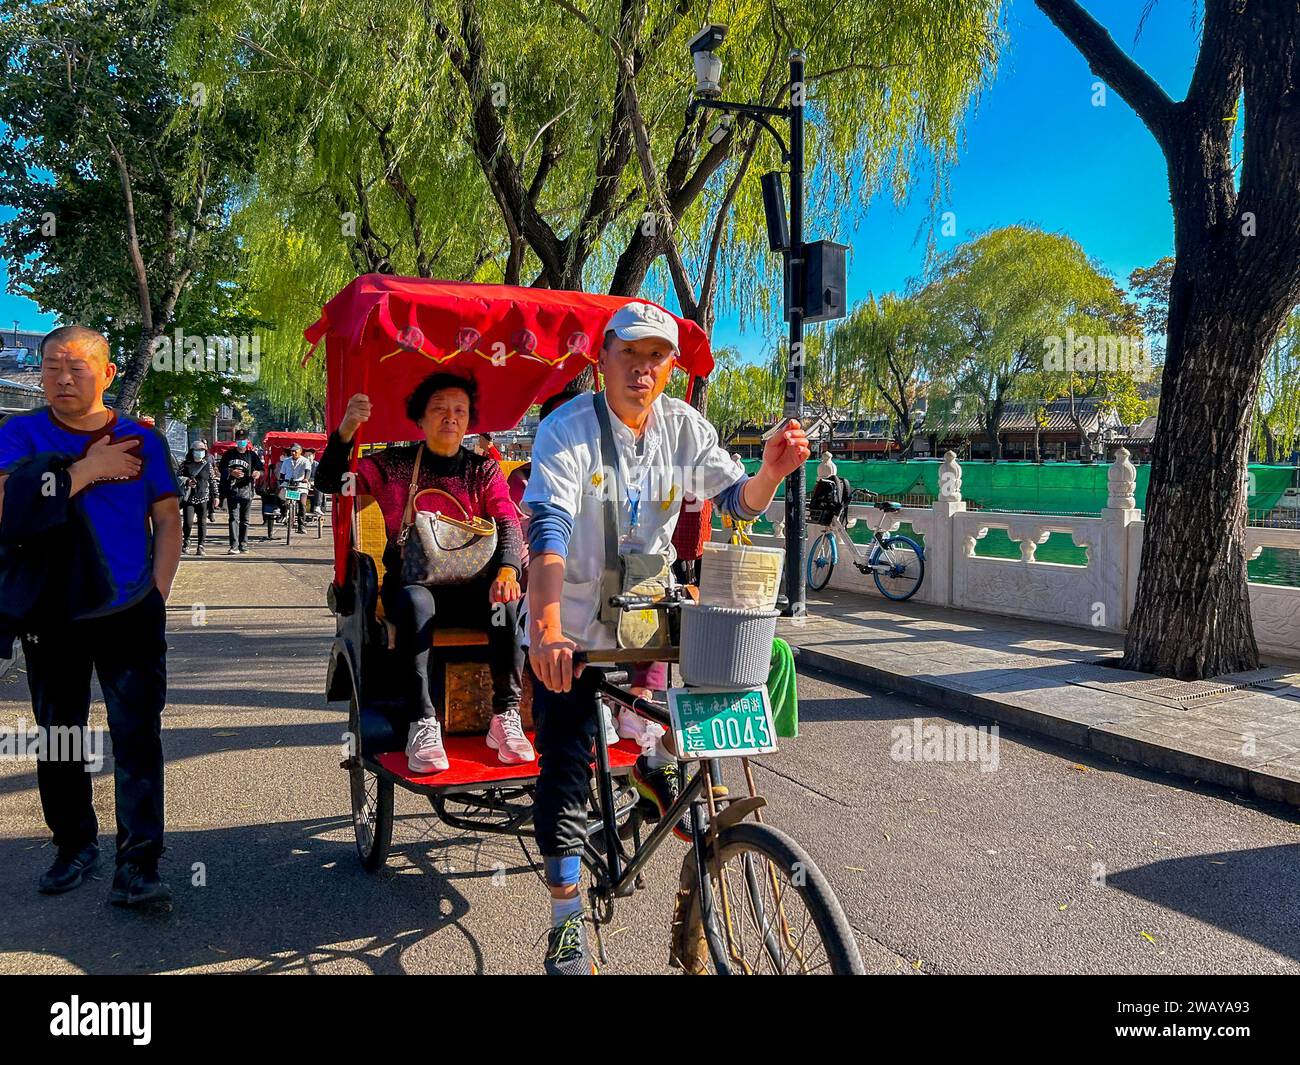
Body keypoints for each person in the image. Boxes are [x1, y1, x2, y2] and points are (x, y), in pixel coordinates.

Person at [523, 301, 809, 973]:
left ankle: (666, 759)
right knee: (567, 759)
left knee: (768, 656)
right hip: (574, 621)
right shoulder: (565, 431)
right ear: (603, 359)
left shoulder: (683, 427)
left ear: (669, 368)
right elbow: (547, 530)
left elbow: (736, 499)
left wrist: (769, 471)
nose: (643, 370)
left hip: (649, 613)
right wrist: (545, 629)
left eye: (657, 358)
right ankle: (565, 927)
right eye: (631, 355)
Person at [0, 325, 181, 906]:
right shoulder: (19, 431)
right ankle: (73, 844)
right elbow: (9, 507)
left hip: (129, 608)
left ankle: (139, 865)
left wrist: (157, 591)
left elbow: (168, 518)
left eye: (77, 367)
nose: (62, 377)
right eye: (52, 365)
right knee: (60, 736)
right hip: (52, 613)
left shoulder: (143, 439)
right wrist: (87, 469)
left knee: (136, 737)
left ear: (106, 374)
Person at [315, 372, 529, 772]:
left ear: (469, 421)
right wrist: (347, 428)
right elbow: (330, 481)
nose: (451, 418)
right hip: (415, 585)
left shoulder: (483, 471)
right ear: (421, 418)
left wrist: (508, 570)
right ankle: (422, 721)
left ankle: (505, 715)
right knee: (415, 602)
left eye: (460, 411)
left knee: (507, 607)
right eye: (440, 410)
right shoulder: (393, 466)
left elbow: (508, 524)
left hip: (472, 588)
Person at [218, 429, 263, 553]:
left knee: (245, 520)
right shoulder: (229, 454)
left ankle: (243, 544)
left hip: (247, 490)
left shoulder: (251, 455)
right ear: (236, 441)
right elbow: (220, 468)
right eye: (239, 440)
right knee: (233, 518)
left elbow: (261, 469)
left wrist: (257, 473)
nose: (241, 442)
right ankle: (234, 545)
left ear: (247, 441)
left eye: (243, 440)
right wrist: (231, 472)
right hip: (233, 489)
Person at [178, 441, 214, 556]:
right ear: (192, 451)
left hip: (203, 497)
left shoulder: (207, 465)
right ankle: (186, 542)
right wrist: (187, 481)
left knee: (202, 523)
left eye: (202, 450)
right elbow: (177, 477)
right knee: (188, 522)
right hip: (189, 498)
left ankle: (201, 545)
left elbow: (212, 481)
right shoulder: (185, 464)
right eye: (197, 450)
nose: (200, 452)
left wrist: (216, 496)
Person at [277, 443, 312, 532]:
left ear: (300, 451)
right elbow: (282, 474)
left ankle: (301, 525)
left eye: (295, 451)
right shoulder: (286, 461)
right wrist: (281, 480)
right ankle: (283, 514)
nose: (293, 453)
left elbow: (307, 471)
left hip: (301, 485)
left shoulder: (305, 461)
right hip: (288, 483)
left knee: (302, 504)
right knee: (280, 496)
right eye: (292, 451)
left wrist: (305, 479)